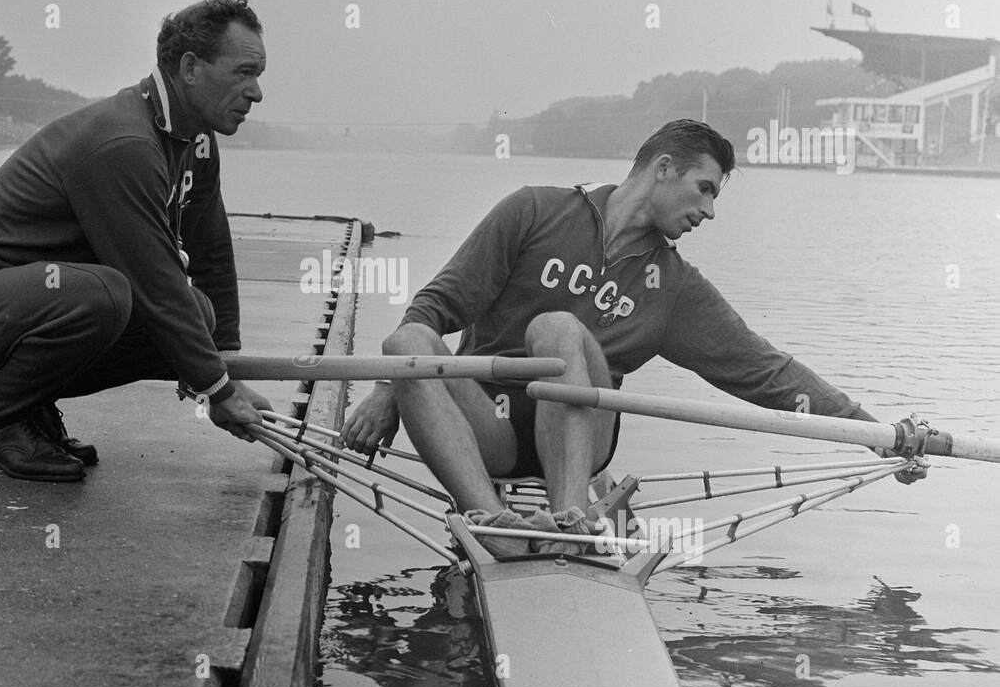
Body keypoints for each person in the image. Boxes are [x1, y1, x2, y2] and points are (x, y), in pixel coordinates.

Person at [340, 119, 895, 556]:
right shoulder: (533, 210)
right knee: (404, 340)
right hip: (493, 431)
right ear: (663, 167)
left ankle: (568, 521)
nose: (708, 211)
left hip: (584, 432)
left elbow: (765, 371)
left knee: (555, 329)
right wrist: (391, 391)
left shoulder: (674, 288)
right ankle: (489, 522)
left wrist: (875, 432)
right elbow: (435, 310)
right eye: (704, 189)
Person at [0, 0, 272, 481]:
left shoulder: (195, 142)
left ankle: (30, 406)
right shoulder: (125, 143)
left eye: (259, 77)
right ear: (189, 67)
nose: (256, 93)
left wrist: (225, 366)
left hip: (33, 300)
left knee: (198, 314)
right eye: (243, 73)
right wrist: (219, 393)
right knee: (106, 295)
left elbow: (210, 252)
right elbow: (156, 283)